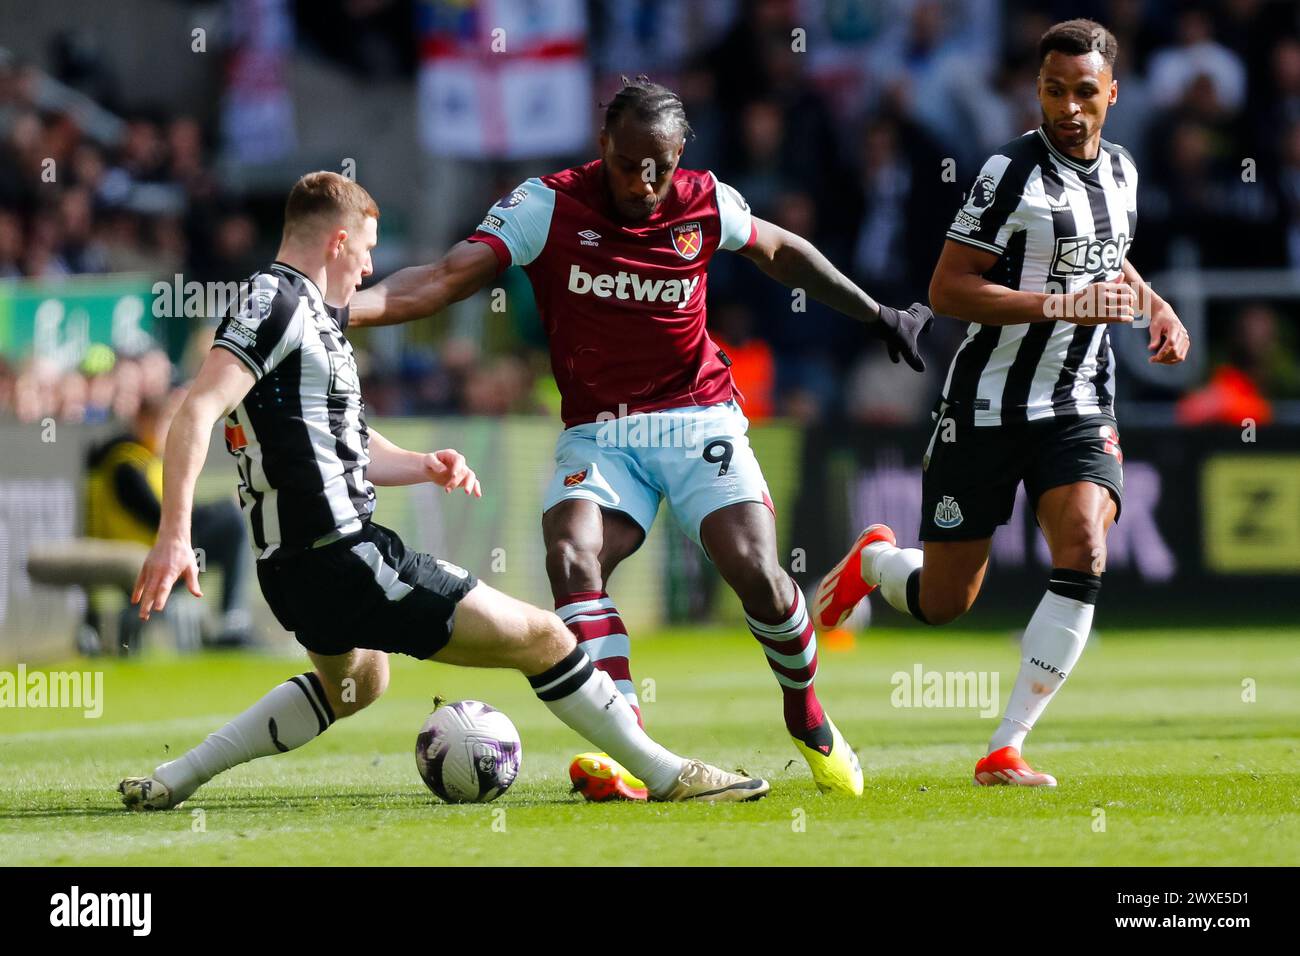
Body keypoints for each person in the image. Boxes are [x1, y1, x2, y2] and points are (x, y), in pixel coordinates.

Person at [349, 77, 934, 798]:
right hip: (599, 432)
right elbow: (441, 279)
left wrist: (878, 313)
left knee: (755, 570)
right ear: (604, 147)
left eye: (659, 164)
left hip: (699, 416)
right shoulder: (548, 206)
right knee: (571, 553)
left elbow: (782, 252)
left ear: (680, 153)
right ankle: (626, 742)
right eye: (629, 162)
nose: (644, 180)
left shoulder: (704, 200)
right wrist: (336, 310)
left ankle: (806, 713)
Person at [119, 171, 768, 810]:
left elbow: (329, 445)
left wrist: (418, 463)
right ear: (338, 243)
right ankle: (666, 774)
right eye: (367, 252)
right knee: (545, 638)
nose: (368, 270)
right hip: (345, 554)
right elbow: (198, 409)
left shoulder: (310, 318)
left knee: (358, 685)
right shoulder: (278, 299)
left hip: (294, 571)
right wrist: (174, 533)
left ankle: (178, 777)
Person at [816, 19, 1191, 787]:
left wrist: (1157, 307)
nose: (1069, 107)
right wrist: (1062, 307)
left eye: (1085, 92)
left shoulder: (1123, 171)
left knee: (1085, 544)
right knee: (947, 600)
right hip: (986, 403)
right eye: (1054, 90)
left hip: (1079, 399)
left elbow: (1109, 257)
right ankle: (878, 561)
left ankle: (1005, 746)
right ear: (1038, 90)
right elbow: (947, 289)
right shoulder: (1010, 173)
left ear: (1112, 94)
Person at [84, 387, 254, 649]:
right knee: (231, 521)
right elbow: (161, 517)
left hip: (153, 549)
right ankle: (232, 621)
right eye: (162, 421)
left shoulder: (143, 459)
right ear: (141, 419)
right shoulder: (125, 464)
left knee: (231, 526)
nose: (166, 432)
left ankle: (232, 621)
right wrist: (224, 505)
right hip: (143, 553)